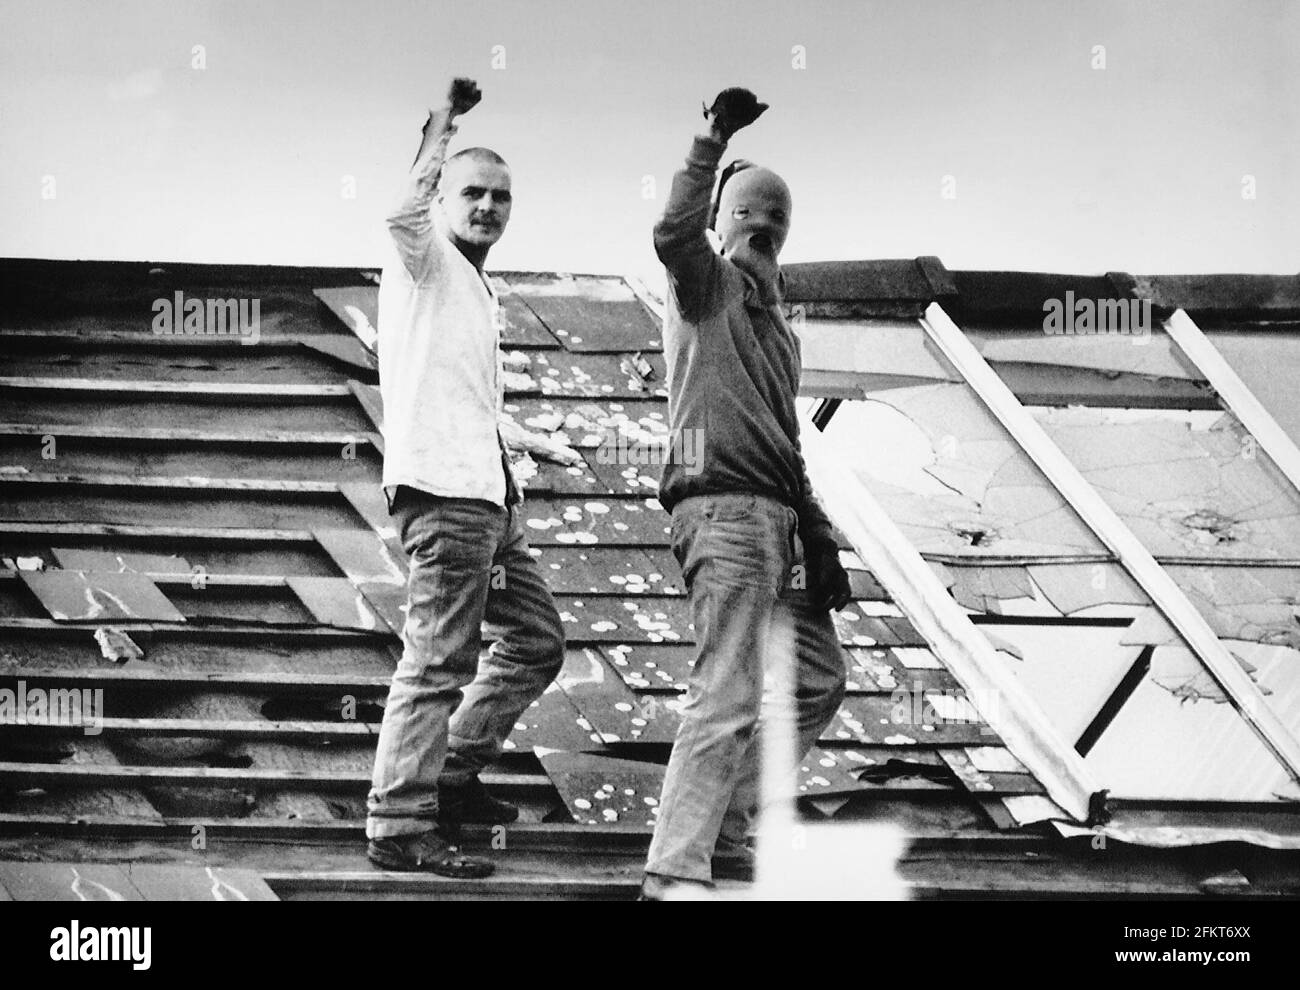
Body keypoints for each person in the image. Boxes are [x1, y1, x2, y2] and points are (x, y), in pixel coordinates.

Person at [643, 88, 853, 897]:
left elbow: (790, 447)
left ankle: (724, 830)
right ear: (724, 223)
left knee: (817, 678)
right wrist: (710, 141)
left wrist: (822, 538)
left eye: (776, 217)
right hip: (725, 514)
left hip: (780, 522)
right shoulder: (707, 289)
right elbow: (670, 234)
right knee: (725, 692)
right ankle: (673, 872)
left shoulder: (780, 330)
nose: (762, 225)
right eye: (749, 212)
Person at [366, 78, 565, 878]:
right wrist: (442, 127)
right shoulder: (424, 259)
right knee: (437, 659)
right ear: (445, 198)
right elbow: (401, 212)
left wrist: (531, 443)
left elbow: (463, 401)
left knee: (537, 640)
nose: (487, 207)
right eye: (472, 193)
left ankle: (449, 772)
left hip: (489, 497)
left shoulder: (475, 290)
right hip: (445, 499)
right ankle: (398, 821)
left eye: (501, 197)